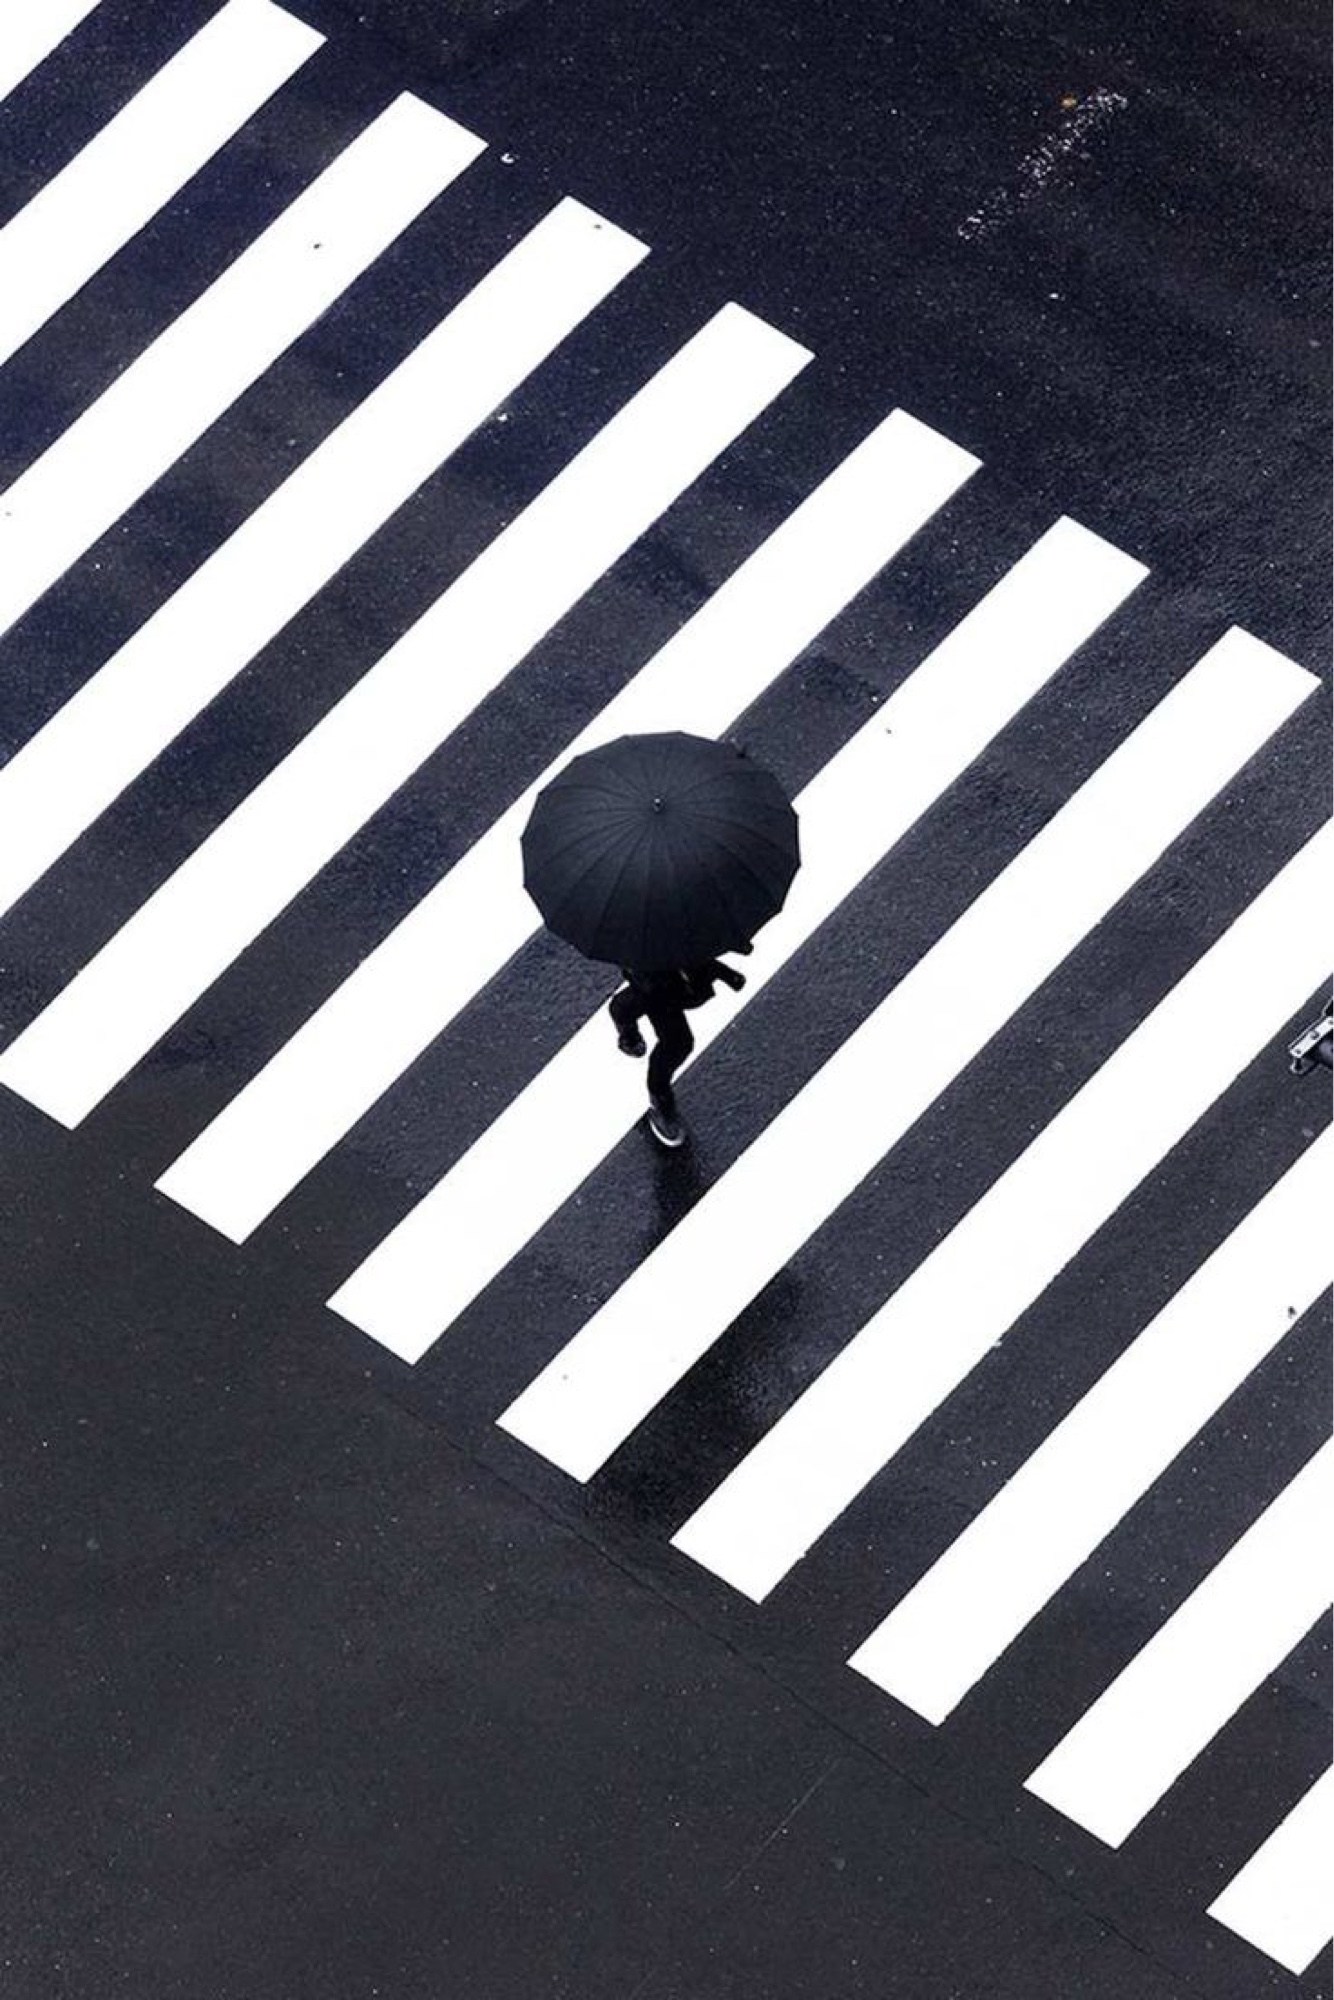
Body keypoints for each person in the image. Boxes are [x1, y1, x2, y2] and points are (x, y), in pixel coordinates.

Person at [608, 946, 751, 1148]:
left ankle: (630, 1038)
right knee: (676, 1043)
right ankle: (660, 1099)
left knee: (633, 1010)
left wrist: (724, 973)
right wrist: (725, 973)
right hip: (657, 987)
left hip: (670, 980)